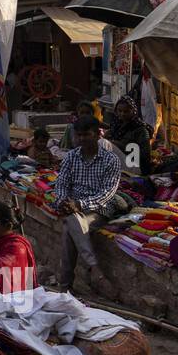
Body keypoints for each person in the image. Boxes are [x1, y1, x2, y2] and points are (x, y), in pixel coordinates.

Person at [52, 116, 120, 294]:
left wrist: (80, 204)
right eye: (79, 135)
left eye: (86, 135)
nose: (82, 139)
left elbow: (107, 194)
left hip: (98, 209)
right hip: (73, 207)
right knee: (71, 223)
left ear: (98, 135)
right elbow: (61, 184)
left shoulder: (110, 160)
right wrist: (64, 201)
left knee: (70, 224)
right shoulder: (71, 157)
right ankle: (93, 268)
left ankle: (65, 286)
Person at [107, 96, 152, 176]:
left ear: (133, 111)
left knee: (105, 144)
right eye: (119, 111)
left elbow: (145, 157)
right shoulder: (117, 126)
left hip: (136, 166)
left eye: (126, 111)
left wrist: (118, 145)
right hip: (122, 162)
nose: (122, 114)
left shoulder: (141, 130)